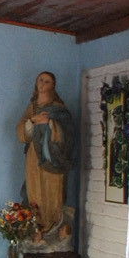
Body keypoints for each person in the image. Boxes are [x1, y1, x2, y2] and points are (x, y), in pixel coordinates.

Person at [16, 70, 78, 242]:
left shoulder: (59, 108)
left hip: (53, 157)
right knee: (35, 189)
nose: (42, 84)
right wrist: (32, 121)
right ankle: (36, 228)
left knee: (53, 190)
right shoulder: (32, 107)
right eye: (40, 80)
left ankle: (54, 227)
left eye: (47, 81)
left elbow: (68, 132)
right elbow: (21, 133)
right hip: (34, 155)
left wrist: (50, 124)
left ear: (53, 86)